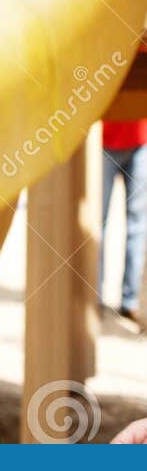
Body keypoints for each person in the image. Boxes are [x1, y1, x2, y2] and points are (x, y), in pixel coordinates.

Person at [99, 105, 147, 329]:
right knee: (96, 225)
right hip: (101, 140)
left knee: (138, 225)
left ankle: (131, 301)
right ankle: (95, 298)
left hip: (141, 140)